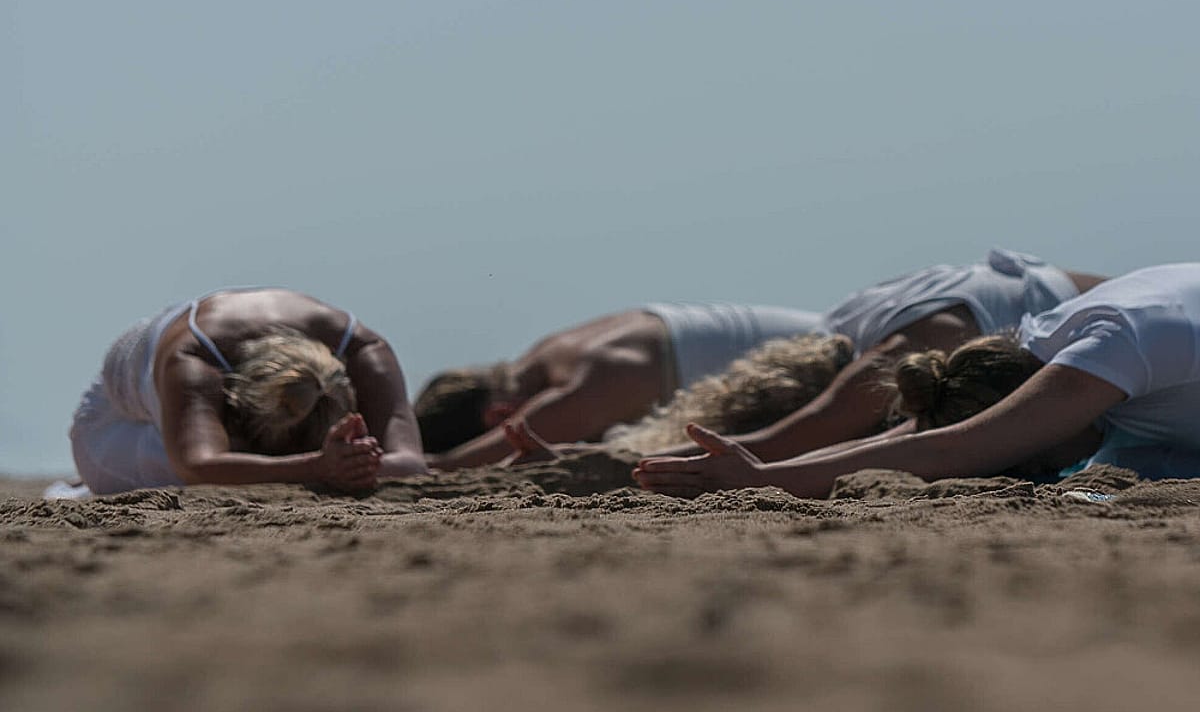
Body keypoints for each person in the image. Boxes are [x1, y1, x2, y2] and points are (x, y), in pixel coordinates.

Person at [633, 263, 1200, 498]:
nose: (1046, 471)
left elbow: (965, 444)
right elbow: (909, 436)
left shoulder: (1114, 344)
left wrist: (766, 477)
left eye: (1032, 460)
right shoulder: (1041, 338)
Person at [509, 249, 1104, 467]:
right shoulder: (850, 329)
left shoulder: (897, 352)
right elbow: (782, 439)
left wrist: (609, 460)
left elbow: (778, 443)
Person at [69, 288, 426, 494]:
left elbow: (411, 463)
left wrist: (357, 461)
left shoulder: (365, 351)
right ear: (233, 398)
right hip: (111, 416)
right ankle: (71, 488)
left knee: (249, 470)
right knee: (193, 476)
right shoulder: (195, 364)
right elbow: (200, 465)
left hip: (176, 392)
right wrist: (318, 465)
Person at [417, 304, 830, 469]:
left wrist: (432, 464)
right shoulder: (554, 351)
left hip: (833, 366)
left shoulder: (595, 375)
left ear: (499, 414)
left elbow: (512, 444)